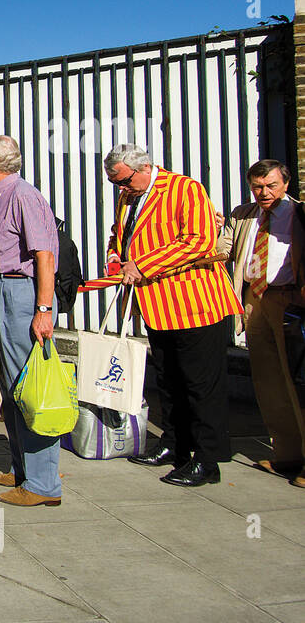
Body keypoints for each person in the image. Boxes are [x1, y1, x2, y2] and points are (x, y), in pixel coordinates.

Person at [105, 143, 241, 486]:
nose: (121, 189)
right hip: (156, 304)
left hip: (195, 302)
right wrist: (115, 260)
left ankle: (207, 458)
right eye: (115, 183)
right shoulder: (129, 197)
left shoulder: (185, 189)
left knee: (201, 384)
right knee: (168, 380)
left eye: (123, 181)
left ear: (144, 167)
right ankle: (174, 444)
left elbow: (198, 240)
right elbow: (120, 235)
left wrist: (143, 265)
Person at [0, 135, 63, 507]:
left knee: (31, 385)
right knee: (11, 383)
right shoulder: (4, 195)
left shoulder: (23, 194)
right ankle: (23, 467)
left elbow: (44, 254)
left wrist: (43, 310)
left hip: (22, 294)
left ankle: (43, 484)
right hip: (3, 289)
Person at [218, 159, 305, 488]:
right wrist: (212, 229)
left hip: (289, 301)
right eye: (257, 186)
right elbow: (221, 249)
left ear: (285, 184)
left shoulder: (299, 215)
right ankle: (287, 453)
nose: (264, 193)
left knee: (297, 382)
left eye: (270, 185)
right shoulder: (242, 215)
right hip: (253, 302)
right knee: (269, 382)